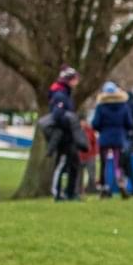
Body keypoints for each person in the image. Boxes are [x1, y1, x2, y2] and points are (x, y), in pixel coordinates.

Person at [91, 81, 133, 199]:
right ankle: (121, 184)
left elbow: (95, 123)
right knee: (117, 164)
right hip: (119, 138)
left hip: (104, 138)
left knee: (104, 164)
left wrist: (102, 129)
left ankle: (104, 187)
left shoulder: (101, 106)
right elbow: (130, 123)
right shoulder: (124, 105)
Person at [47, 65, 81, 201]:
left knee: (74, 163)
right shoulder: (60, 95)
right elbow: (57, 115)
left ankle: (71, 193)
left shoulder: (66, 94)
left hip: (70, 135)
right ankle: (57, 192)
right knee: (61, 164)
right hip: (63, 135)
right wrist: (68, 123)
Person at [78, 115, 98, 196]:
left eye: (84, 121)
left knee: (91, 173)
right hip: (80, 155)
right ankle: (79, 189)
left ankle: (91, 189)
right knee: (79, 174)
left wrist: (94, 153)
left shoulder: (90, 130)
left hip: (90, 155)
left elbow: (94, 142)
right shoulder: (77, 130)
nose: (83, 123)